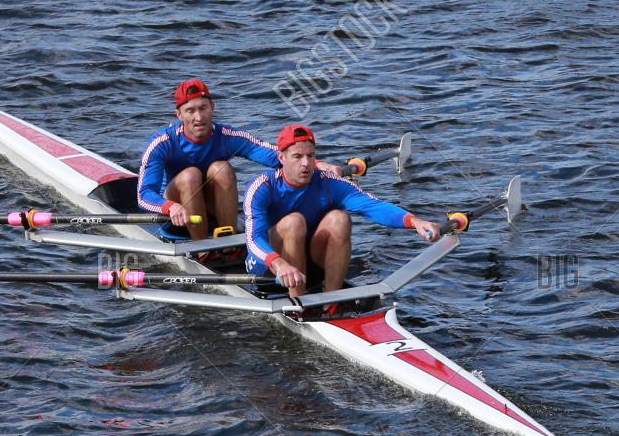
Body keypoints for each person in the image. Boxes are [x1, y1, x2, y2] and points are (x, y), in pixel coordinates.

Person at [244, 124, 462, 299]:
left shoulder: (329, 181)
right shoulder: (262, 186)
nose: (306, 163)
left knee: (339, 218)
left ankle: (331, 299)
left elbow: (372, 205)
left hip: (310, 261)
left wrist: (414, 221)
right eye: (297, 157)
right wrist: (279, 264)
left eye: (311, 156)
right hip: (269, 266)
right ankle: (299, 304)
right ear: (281, 158)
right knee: (294, 221)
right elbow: (254, 239)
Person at [137, 80, 337, 240]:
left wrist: (318, 165)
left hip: (214, 214)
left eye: (203, 108)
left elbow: (275, 154)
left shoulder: (227, 136)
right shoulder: (163, 142)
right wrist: (170, 207)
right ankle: (202, 248)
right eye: (190, 111)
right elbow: (144, 195)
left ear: (213, 108)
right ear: (179, 114)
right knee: (191, 175)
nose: (199, 117)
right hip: (179, 218)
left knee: (221, 168)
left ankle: (227, 241)